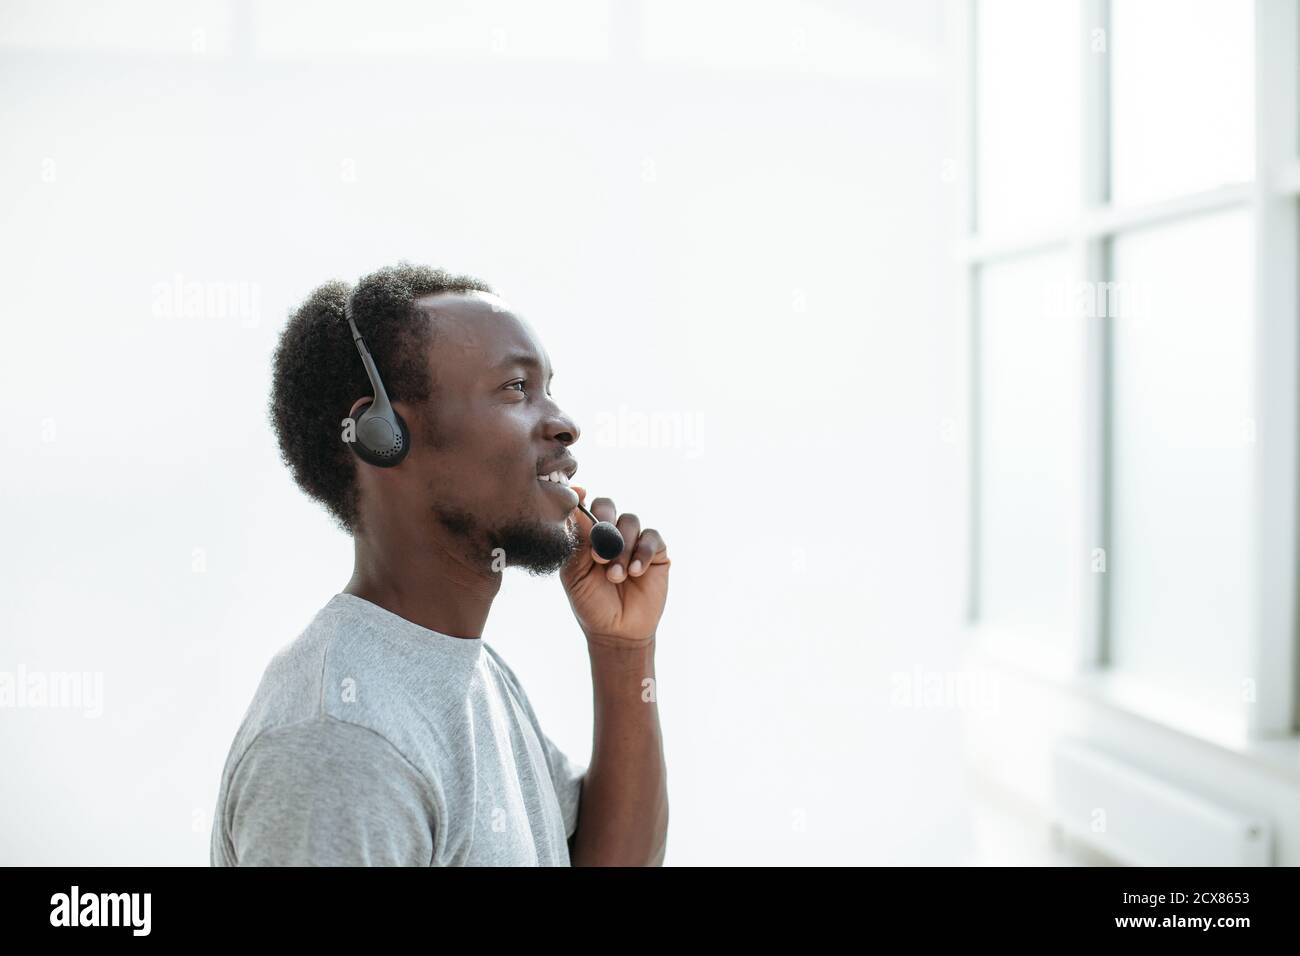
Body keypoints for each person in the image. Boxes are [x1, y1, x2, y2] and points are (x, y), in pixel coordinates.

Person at [209, 263, 669, 866]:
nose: (563, 424)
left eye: (548, 388)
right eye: (515, 389)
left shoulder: (474, 679)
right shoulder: (344, 740)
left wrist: (622, 650)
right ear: (384, 435)